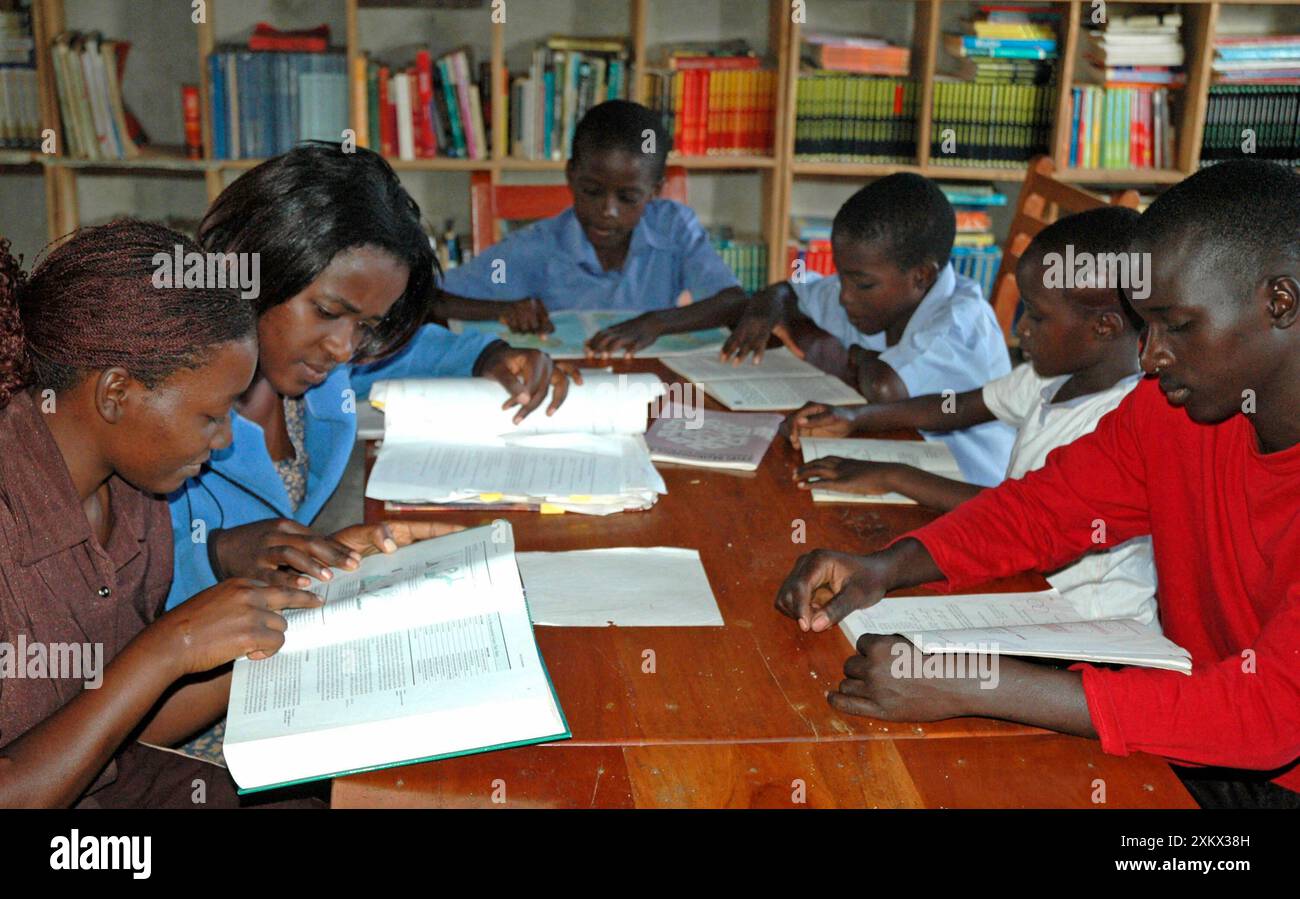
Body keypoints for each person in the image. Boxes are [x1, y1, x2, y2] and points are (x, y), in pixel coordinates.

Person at [773, 160, 1300, 808]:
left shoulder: (1184, 403)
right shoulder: (1174, 412)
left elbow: (1271, 716)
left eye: (1178, 324)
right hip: (1183, 717)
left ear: (1280, 301)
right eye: (1146, 323)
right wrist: (886, 565)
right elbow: (1039, 512)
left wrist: (973, 683)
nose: (1150, 354)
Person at [0, 221, 324, 807]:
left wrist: (288, 632)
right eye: (211, 415)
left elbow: (120, 733)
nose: (225, 438)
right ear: (115, 394)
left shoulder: (137, 498)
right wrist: (167, 647)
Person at [166, 143, 572, 609]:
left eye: (367, 325)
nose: (343, 348)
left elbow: (412, 351)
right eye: (326, 311)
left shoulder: (321, 375)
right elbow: (117, 577)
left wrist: (491, 355)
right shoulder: (166, 405)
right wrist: (217, 554)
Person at [783, 207, 1156, 625]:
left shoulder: (1121, 419)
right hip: (1025, 587)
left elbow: (1019, 522)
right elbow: (956, 407)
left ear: (1104, 327)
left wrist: (895, 475)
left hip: (1089, 627)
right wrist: (857, 417)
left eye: (1036, 315)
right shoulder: (1053, 378)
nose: (1021, 328)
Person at [725, 173, 1015, 485]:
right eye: (841, 277)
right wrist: (762, 309)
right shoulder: (875, 292)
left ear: (921, 276)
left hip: (971, 490)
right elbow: (790, 292)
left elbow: (885, 390)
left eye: (862, 284)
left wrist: (859, 354)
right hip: (905, 464)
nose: (844, 295)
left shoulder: (959, 325)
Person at [432, 100, 749, 358]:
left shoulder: (673, 227)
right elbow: (431, 298)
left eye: (628, 198)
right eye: (591, 191)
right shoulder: (537, 247)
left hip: (647, 384)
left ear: (655, 190)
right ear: (570, 176)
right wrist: (503, 309)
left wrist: (656, 322)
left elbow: (732, 301)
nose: (608, 211)